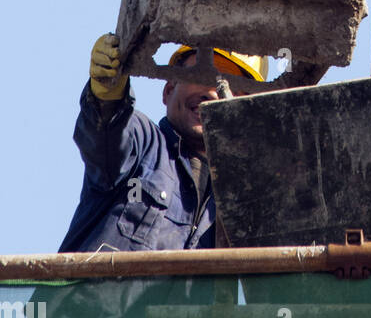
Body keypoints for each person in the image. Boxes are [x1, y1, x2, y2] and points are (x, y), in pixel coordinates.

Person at [59, 35, 267, 253]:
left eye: (231, 85)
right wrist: (107, 98)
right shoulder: (143, 144)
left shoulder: (241, 203)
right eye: (202, 76)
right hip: (97, 287)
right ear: (168, 90)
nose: (211, 92)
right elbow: (108, 135)